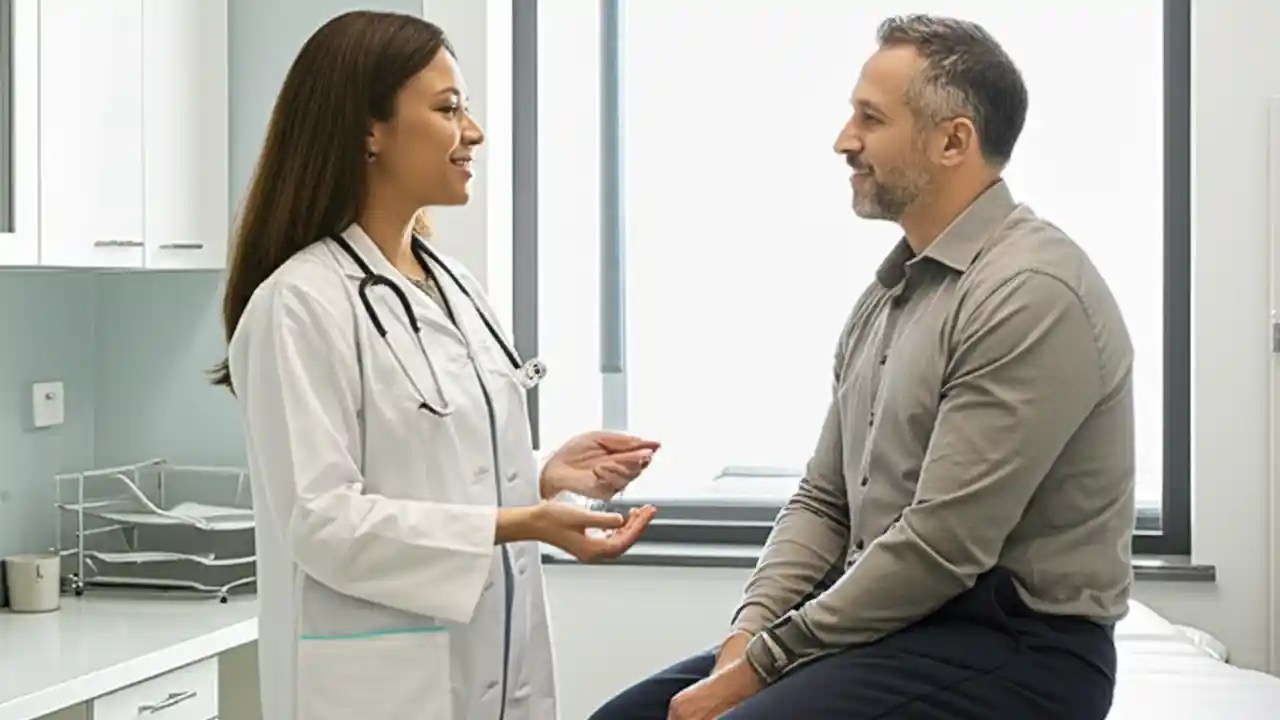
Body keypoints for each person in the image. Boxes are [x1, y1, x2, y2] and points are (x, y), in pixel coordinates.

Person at [591, 13, 1134, 720]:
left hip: (1018, 652)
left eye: (870, 119)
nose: (844, 140)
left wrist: (763, 666)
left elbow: (942, 546)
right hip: (892, 632)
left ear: (952, 140)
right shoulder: (891, 298)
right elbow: (823, 502)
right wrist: (747, 633)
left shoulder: (1030, 293)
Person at [211, 11, 662, 720]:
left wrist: (542, 474)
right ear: (369, 130)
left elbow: (428, 461)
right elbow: (323, 522)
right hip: (381, 687)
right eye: (448, 109)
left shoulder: (451, 282)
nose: (473, 132)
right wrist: (519, 521)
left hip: (497, 669)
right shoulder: (297, 304)